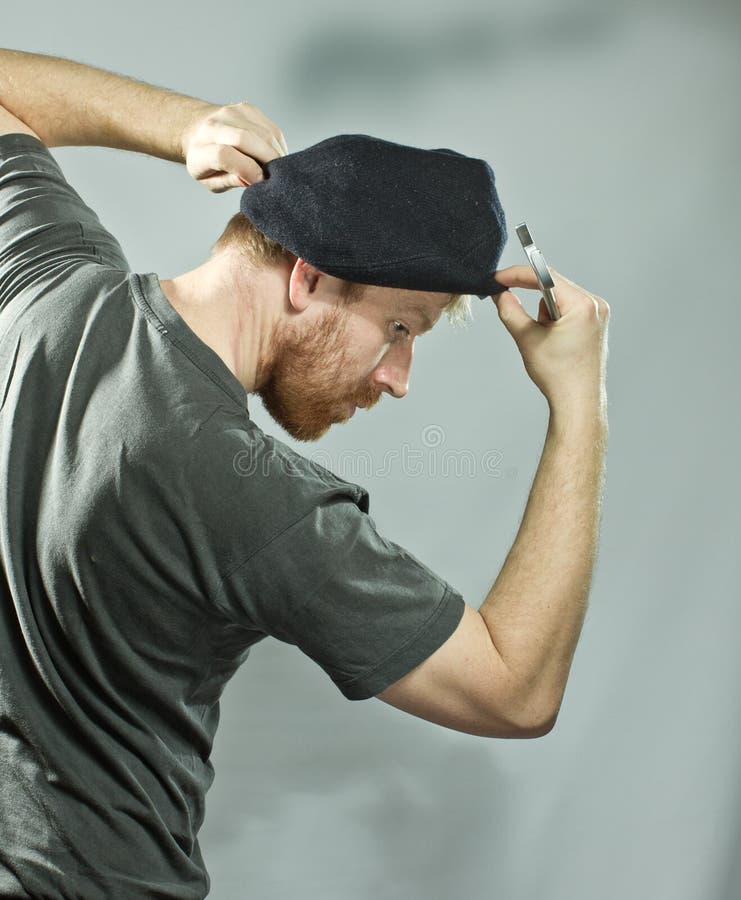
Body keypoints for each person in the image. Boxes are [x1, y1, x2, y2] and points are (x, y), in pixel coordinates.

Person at [0, 49, 610, 898]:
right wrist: (579, 403)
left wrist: (184, 126)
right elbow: (515, 690)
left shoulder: (43, 282)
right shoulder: (249, 494)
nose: (398, 378)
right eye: (401, 328)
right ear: (308, 276)